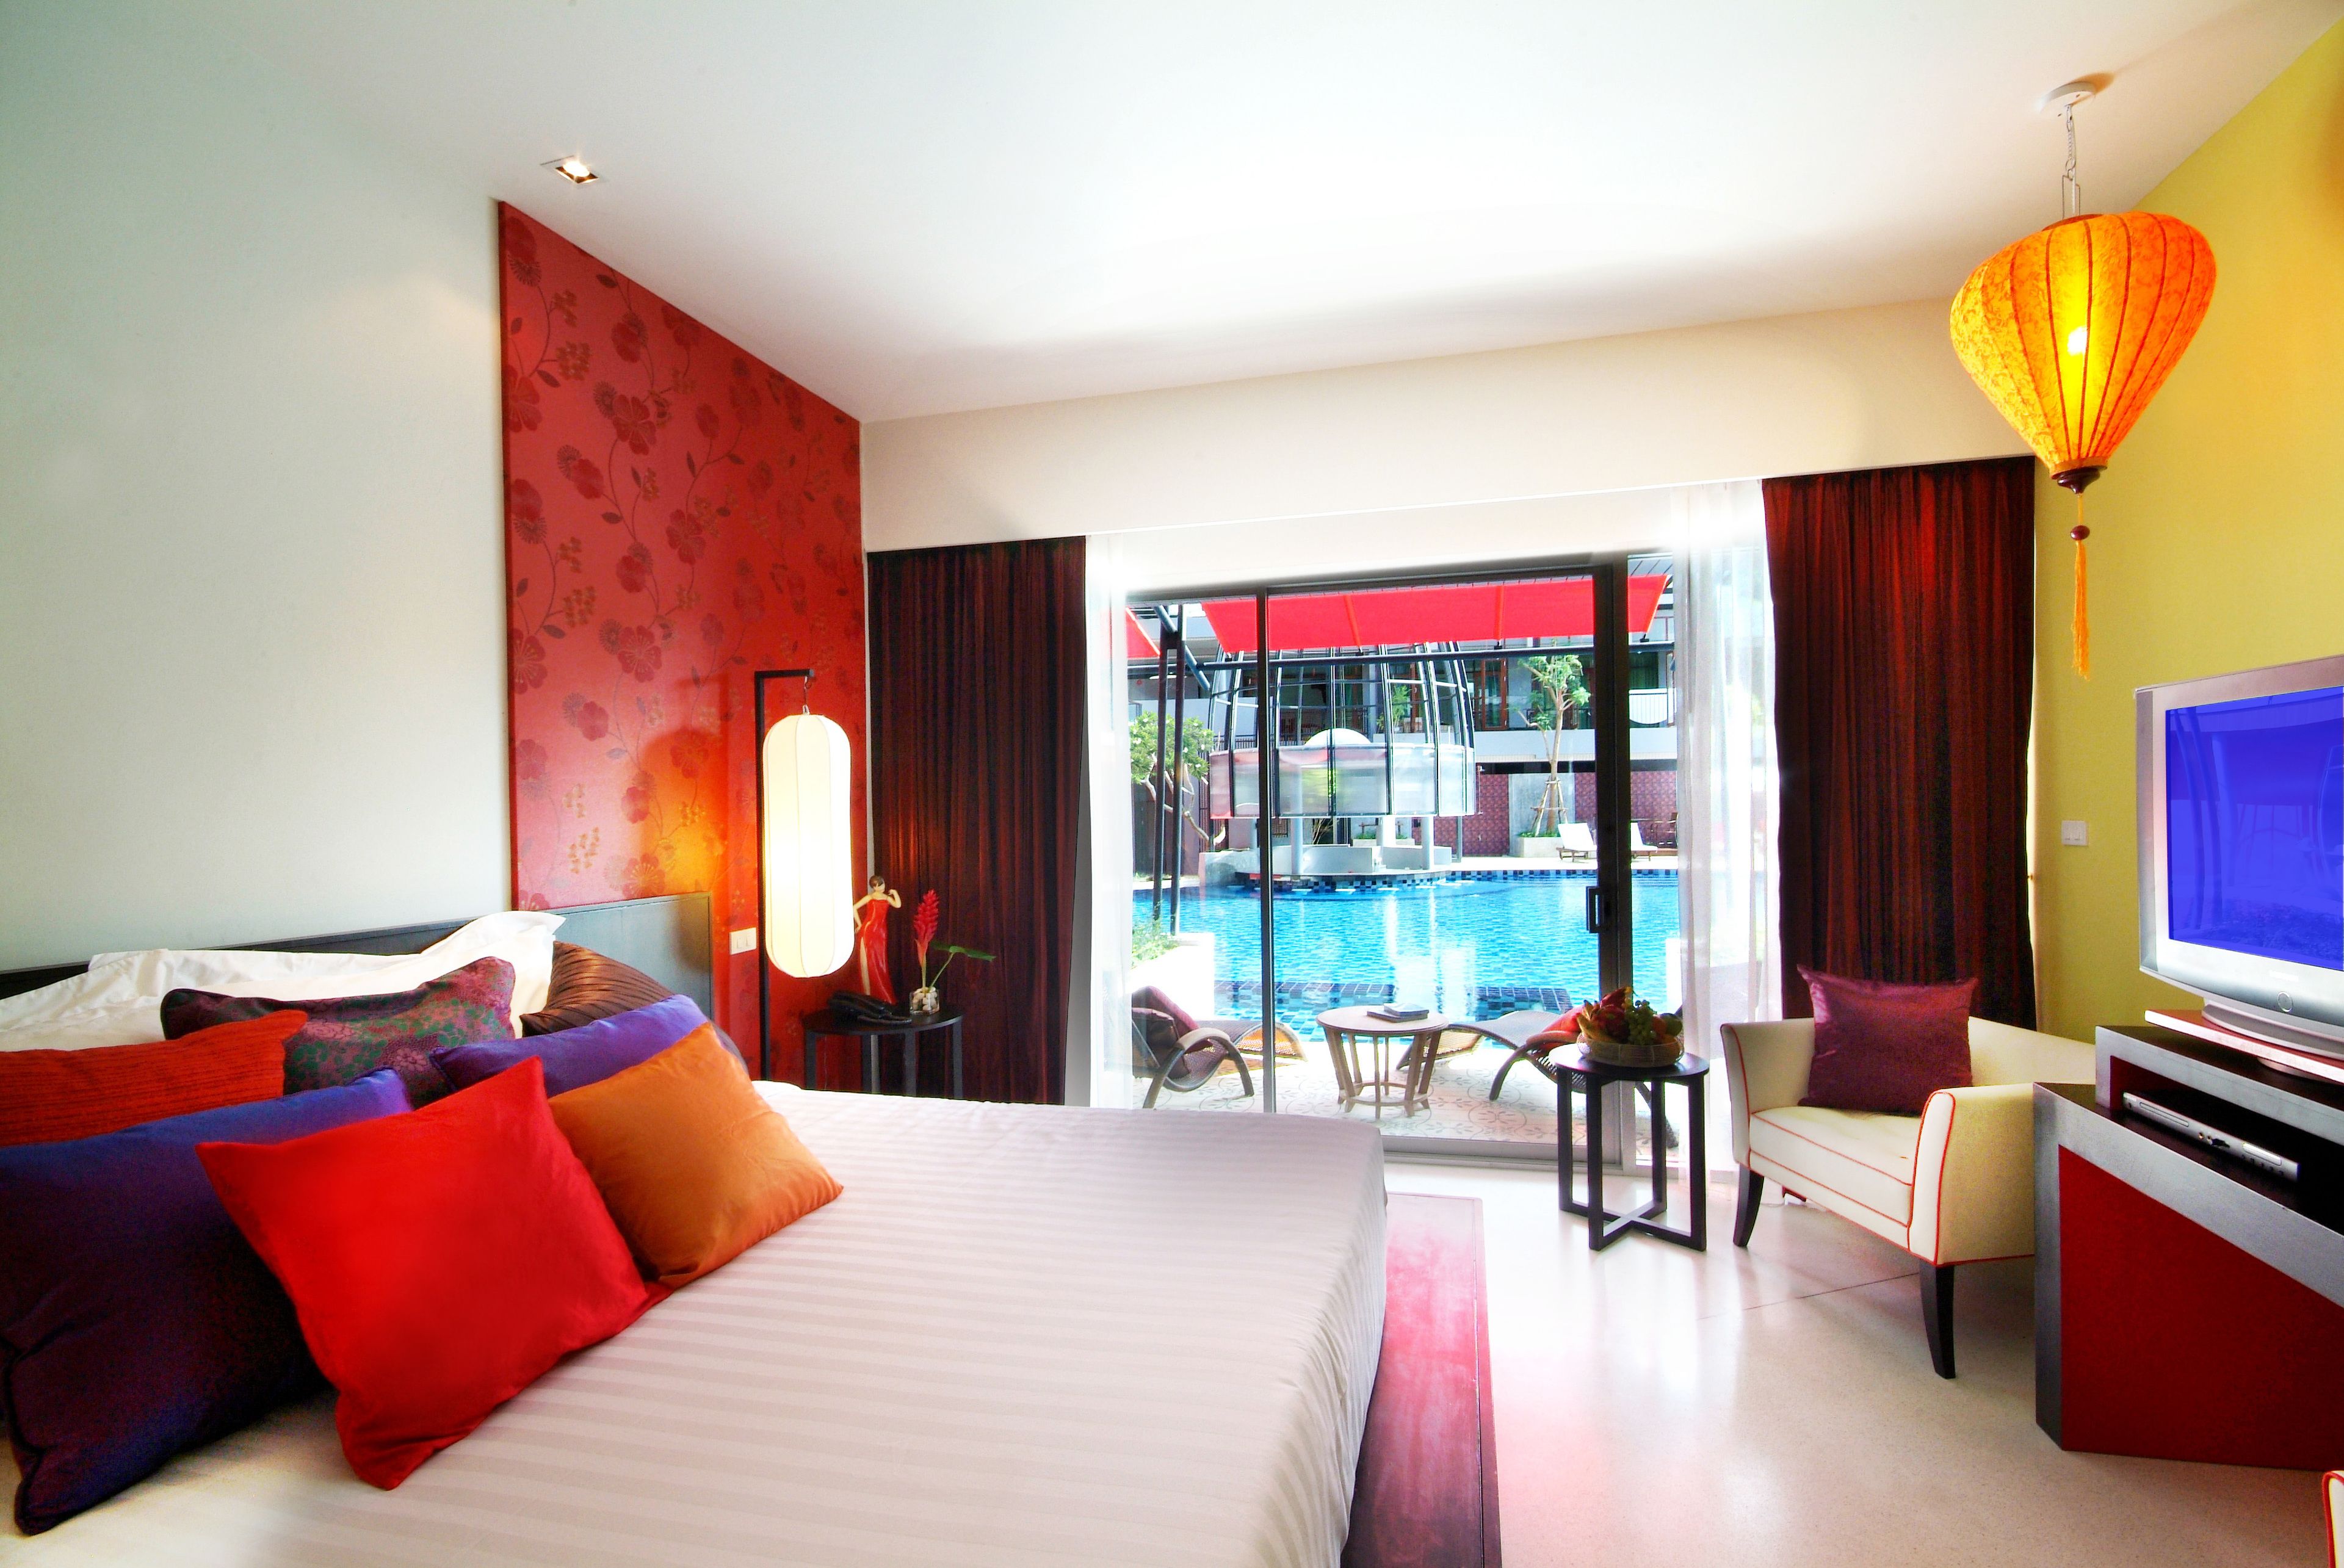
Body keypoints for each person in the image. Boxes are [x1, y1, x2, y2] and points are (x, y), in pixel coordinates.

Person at [852, 877, 902, 1003]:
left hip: (881, 932)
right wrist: (860, 925)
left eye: (882, 884)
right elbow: (854, 908)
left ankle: (878, 995)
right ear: (874, 887)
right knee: (867, 962)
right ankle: (867, 995)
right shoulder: (870, 897)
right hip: (869, 930)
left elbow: (898, 905)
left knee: (880, 961)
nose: (881, 887)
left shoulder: (887, 898)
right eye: (878, 886)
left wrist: (895, 893)